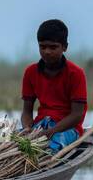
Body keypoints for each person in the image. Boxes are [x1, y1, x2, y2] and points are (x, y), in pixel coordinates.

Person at [19, 18, 87, 151]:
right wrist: (27, 129)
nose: (47, 52)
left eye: (53, 47)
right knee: (11, 142)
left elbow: (77, 115)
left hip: (67, 128)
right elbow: (27, 111)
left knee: (52, 148)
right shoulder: (30, 72)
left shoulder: (76, 73)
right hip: (41, 125)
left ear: (65, 47)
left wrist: (52, 131)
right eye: (42, 47)